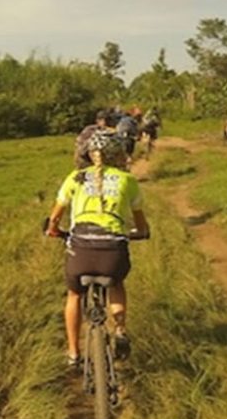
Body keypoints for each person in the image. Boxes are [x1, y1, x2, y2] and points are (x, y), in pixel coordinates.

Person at [47, 130, 150, 367]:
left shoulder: (76, 178)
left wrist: (53, 229)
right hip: (113, 252)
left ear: (88, 155)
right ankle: (121, 330)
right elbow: (141, 225)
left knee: (74, 295)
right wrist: (141, 233)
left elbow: (54, 218)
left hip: (80, 251)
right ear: (117, 155)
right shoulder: (127, 180)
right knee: (116, 283)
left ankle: (73, 353)